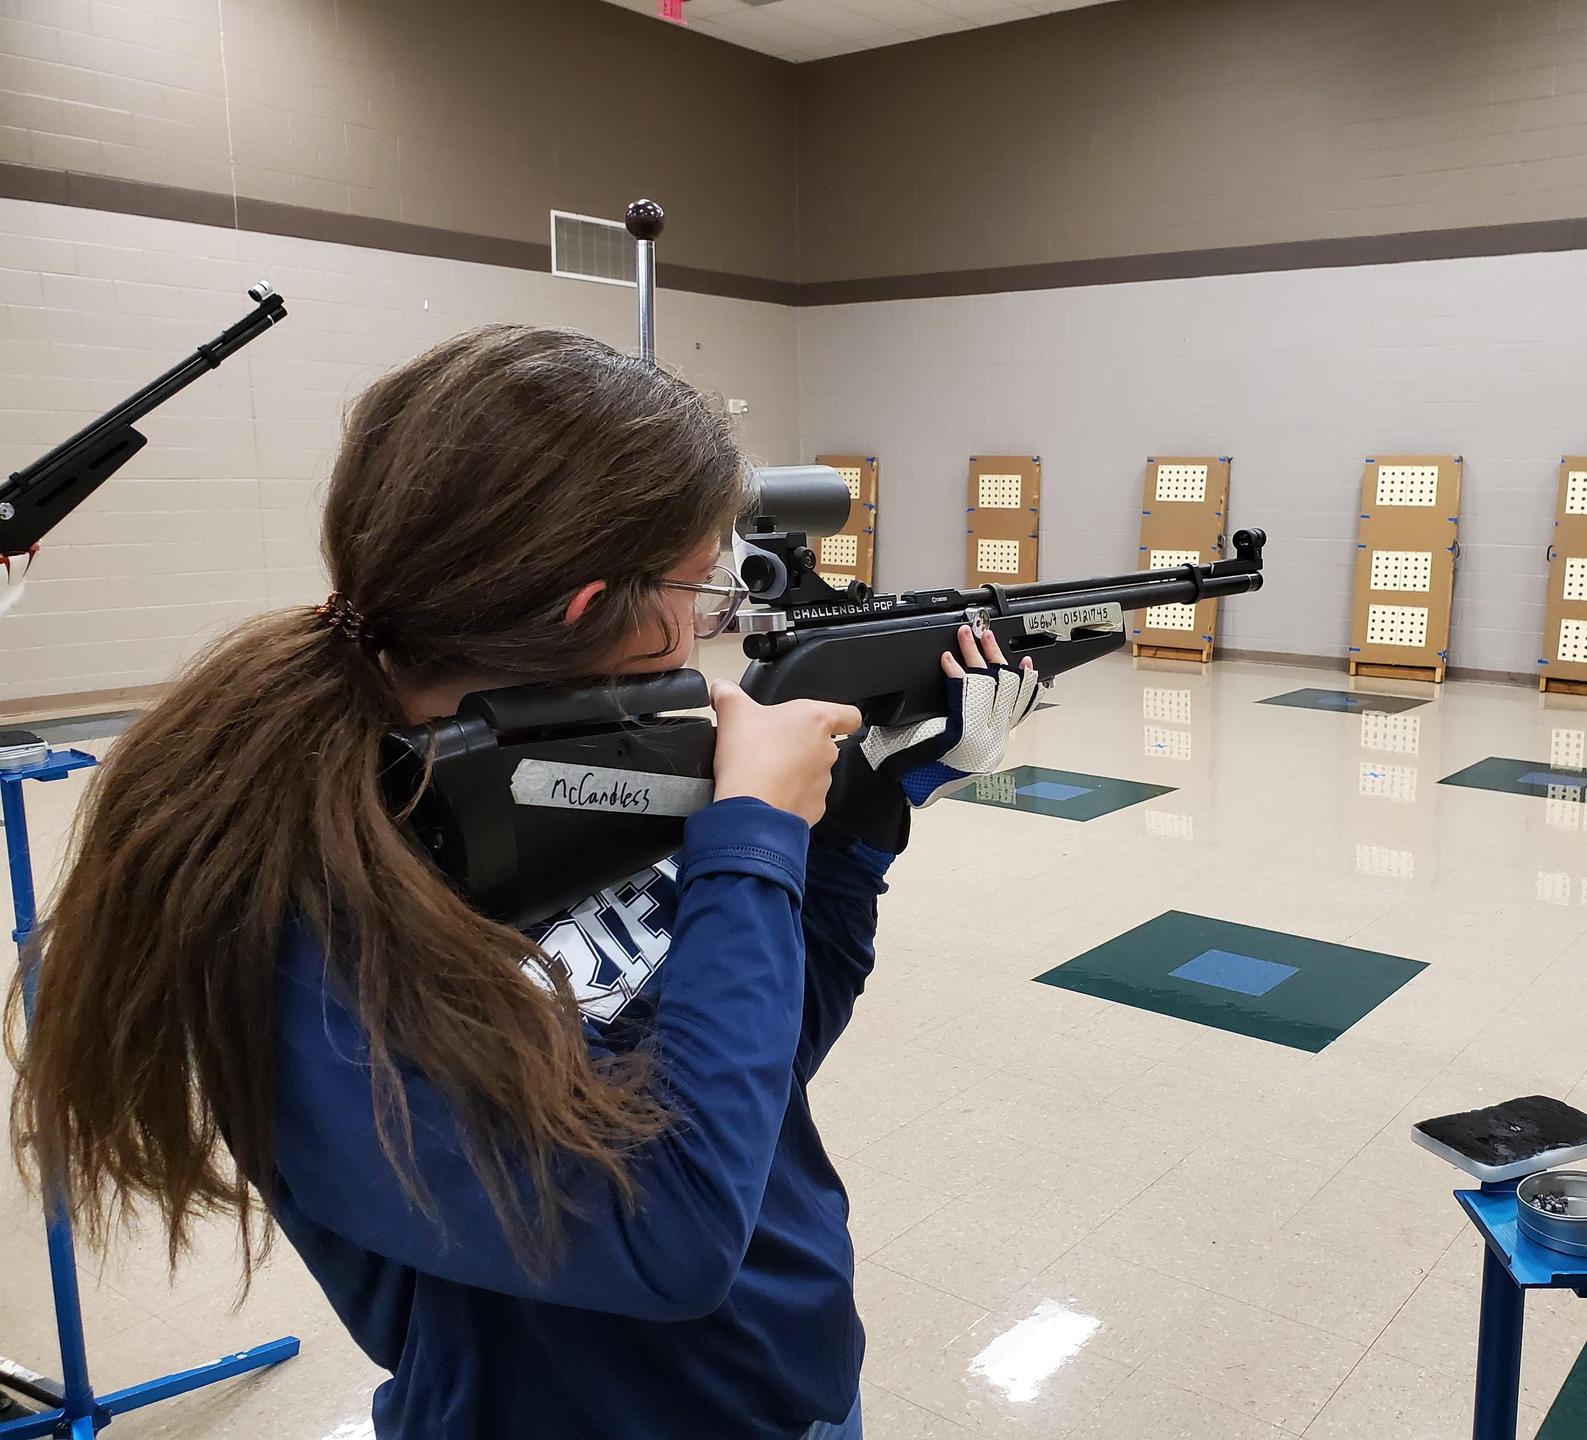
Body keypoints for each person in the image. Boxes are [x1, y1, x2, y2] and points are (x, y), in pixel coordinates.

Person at [9, 325, 1039, 1439]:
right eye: (700, 582)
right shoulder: (308, 922)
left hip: (787, 1394)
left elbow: (759, 1070)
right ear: (589, 606)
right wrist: (749, 839)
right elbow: (676, 1233)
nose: (708, 623)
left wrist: (851, 823)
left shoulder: (568, 786)